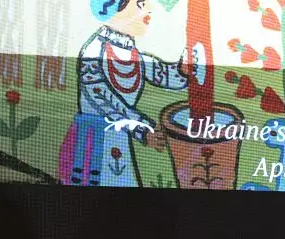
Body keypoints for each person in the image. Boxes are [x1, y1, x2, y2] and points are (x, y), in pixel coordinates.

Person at [59, 0, 189, 187]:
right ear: (112, 7)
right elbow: (103, 100)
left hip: (120, 140)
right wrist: (143, 129)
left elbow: (173, 78)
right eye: (140, 3)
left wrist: (190, 60)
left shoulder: (135, 56)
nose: (149, 9)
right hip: (93, 142)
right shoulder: (94, 51)